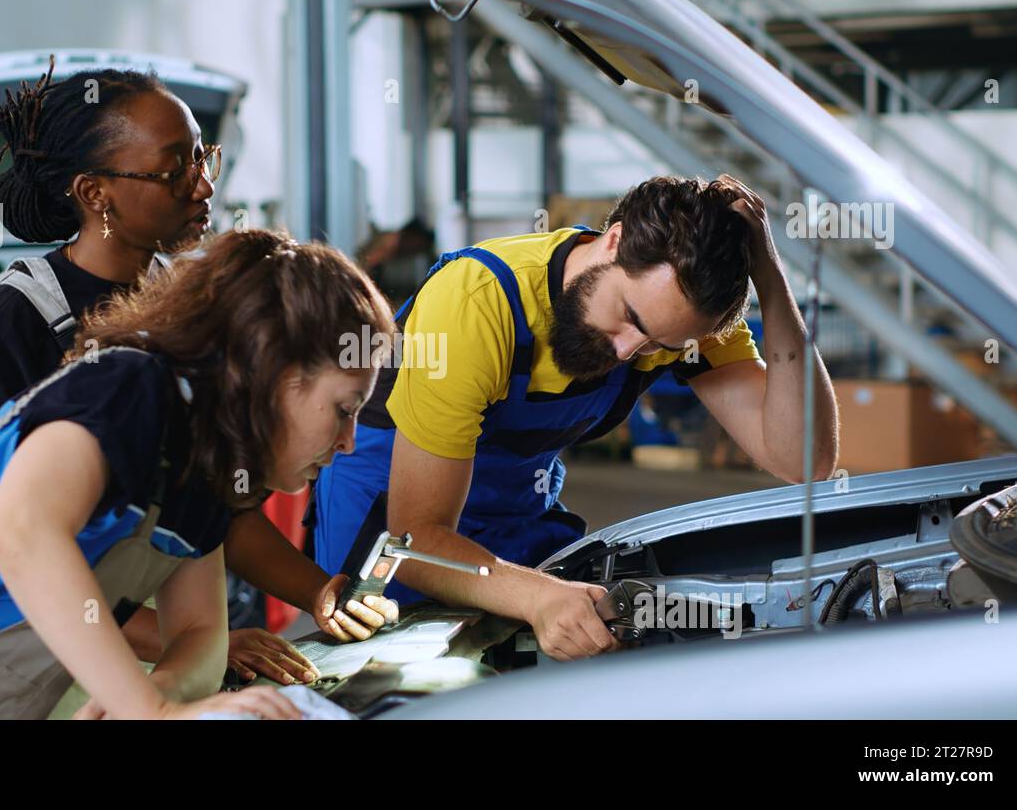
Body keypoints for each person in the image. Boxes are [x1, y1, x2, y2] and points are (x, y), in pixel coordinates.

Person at [0, 230, 395, 720]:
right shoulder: (129, 388)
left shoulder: (209, 469)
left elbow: (198, 633)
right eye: (342, 409)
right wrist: (153, 712)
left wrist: (158, 693)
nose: (346, 441)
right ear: (274, 369)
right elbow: (22, 531)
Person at [0, 58, 394, 682]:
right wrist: (172, 645)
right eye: (175, 170)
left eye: (204, 159)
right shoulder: (10, 329)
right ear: (95, 193)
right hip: (25, 657)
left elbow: (218, 504)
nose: (203, 187)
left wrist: (319, 592)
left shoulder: (187, 308)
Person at [312, 174, 840, 661]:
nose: (630, 351)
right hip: (389, 518)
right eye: (630, 318)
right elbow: (418, 540)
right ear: (613, 241)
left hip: (513, 506)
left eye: (662, 342)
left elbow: (803, 459)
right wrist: (538, 596)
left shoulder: (681, 318)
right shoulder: (478, 303)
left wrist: (770, 278)